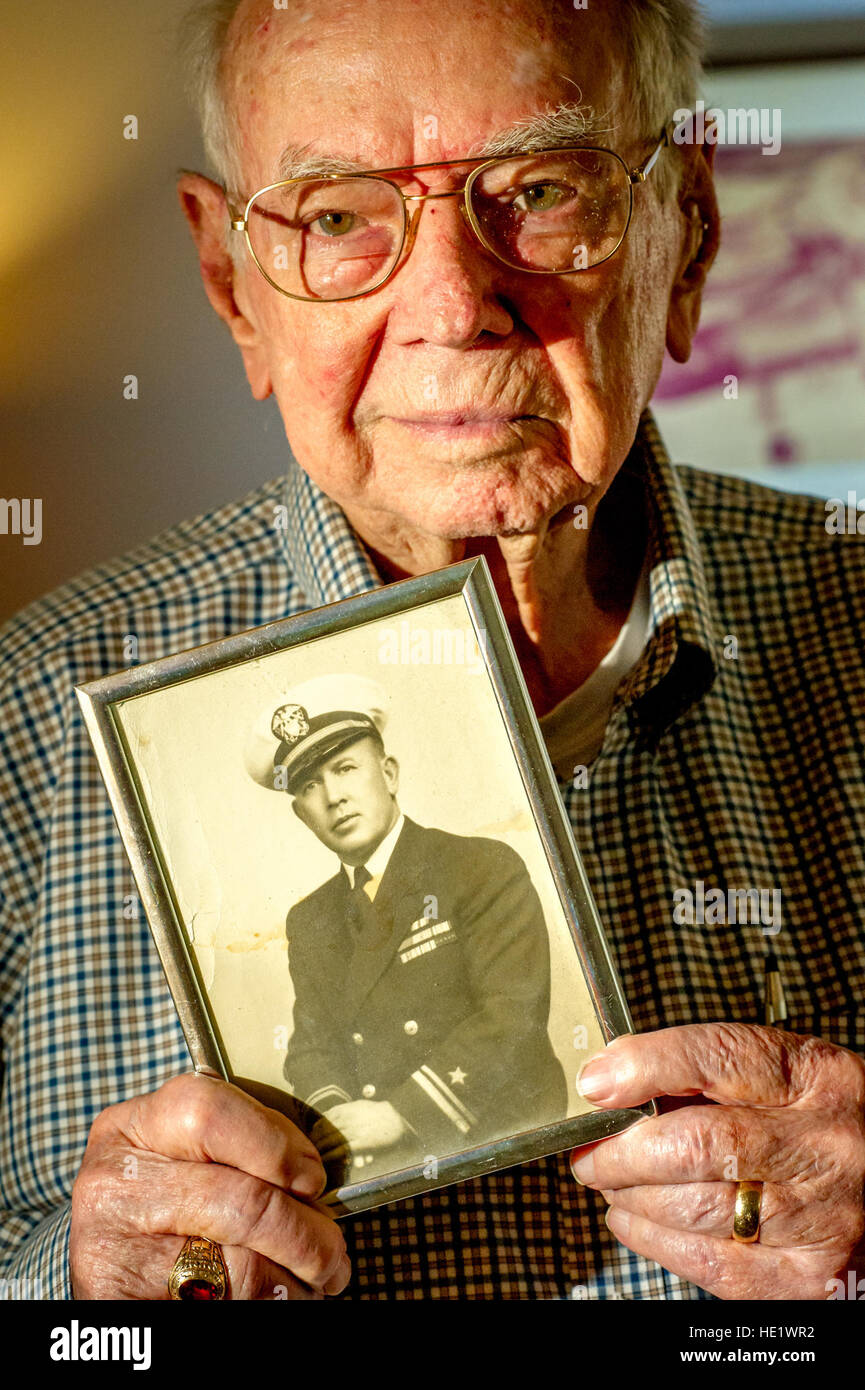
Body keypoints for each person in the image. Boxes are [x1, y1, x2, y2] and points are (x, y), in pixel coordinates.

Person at [0, 0, 862, 1301]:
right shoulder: (24, 718)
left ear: (685, 234)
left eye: (538, 190)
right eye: (338, 216)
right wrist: (75, 1298)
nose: (455, 307)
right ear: (232, 285)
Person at [245, 675, 566, 1177]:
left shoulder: (480, 867)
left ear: (389, 773)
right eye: (310, 786)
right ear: (301, 814)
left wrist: (402, 1113)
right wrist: (336, 1119)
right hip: (383, 1164)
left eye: (345, 768)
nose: (333, 797)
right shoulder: (309, 920)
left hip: (498, 1145)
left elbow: (514, 1014)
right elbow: (312, 1043)